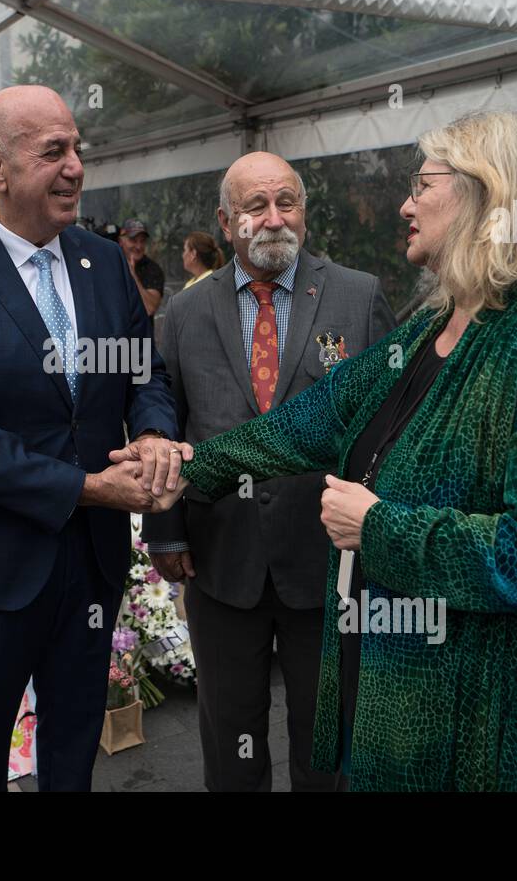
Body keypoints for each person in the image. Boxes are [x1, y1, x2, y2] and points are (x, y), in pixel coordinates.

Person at [126, 110, 517, 792]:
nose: (405, 203)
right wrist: (183, 467)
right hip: (431, 697)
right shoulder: (438, 326)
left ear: (483, 195)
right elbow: (305, 422)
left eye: (423, 184)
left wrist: (380, 528)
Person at [0, 85, 184, 792]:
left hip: (90, 560)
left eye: (79, 148)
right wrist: (88, 489)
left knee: (75, 735)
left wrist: (151, 433)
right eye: (54, 151)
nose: (76, 167)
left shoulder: (103, 260)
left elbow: (144, 370)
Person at [142, 152, 395, 792]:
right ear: (227, 223)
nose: (274, 218)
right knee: (231, 744)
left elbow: (393, 426)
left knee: (326, 745)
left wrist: (384, 533)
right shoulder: (185, 313)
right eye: (257, 206)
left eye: (287, 202)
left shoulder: (357, 295)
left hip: (328, 564)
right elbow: (164, 426)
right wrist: (165, 531)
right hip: (220, 560)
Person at [118, 219, 164, 317]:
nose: (138, 246)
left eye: (142, 241)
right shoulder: (112, 264)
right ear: (121, 241)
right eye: (133, 240)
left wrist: (132, 274)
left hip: (141, 331)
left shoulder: (152, 269)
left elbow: (149, 308)